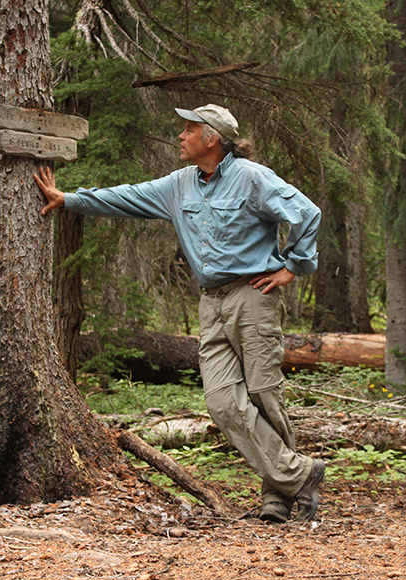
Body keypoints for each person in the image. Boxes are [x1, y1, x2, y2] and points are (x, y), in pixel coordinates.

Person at [34, 103, 325, 523]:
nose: (180, 136)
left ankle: (276, 497)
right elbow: (129, 197)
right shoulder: (179, 184)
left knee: (264, 394)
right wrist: (71, 200)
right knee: (222, 401)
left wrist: (293, 267)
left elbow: (306, 213)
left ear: (212, 138)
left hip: (253, 296)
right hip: (211, 302)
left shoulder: (251, 178)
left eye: (188, 130)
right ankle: (298, 475)